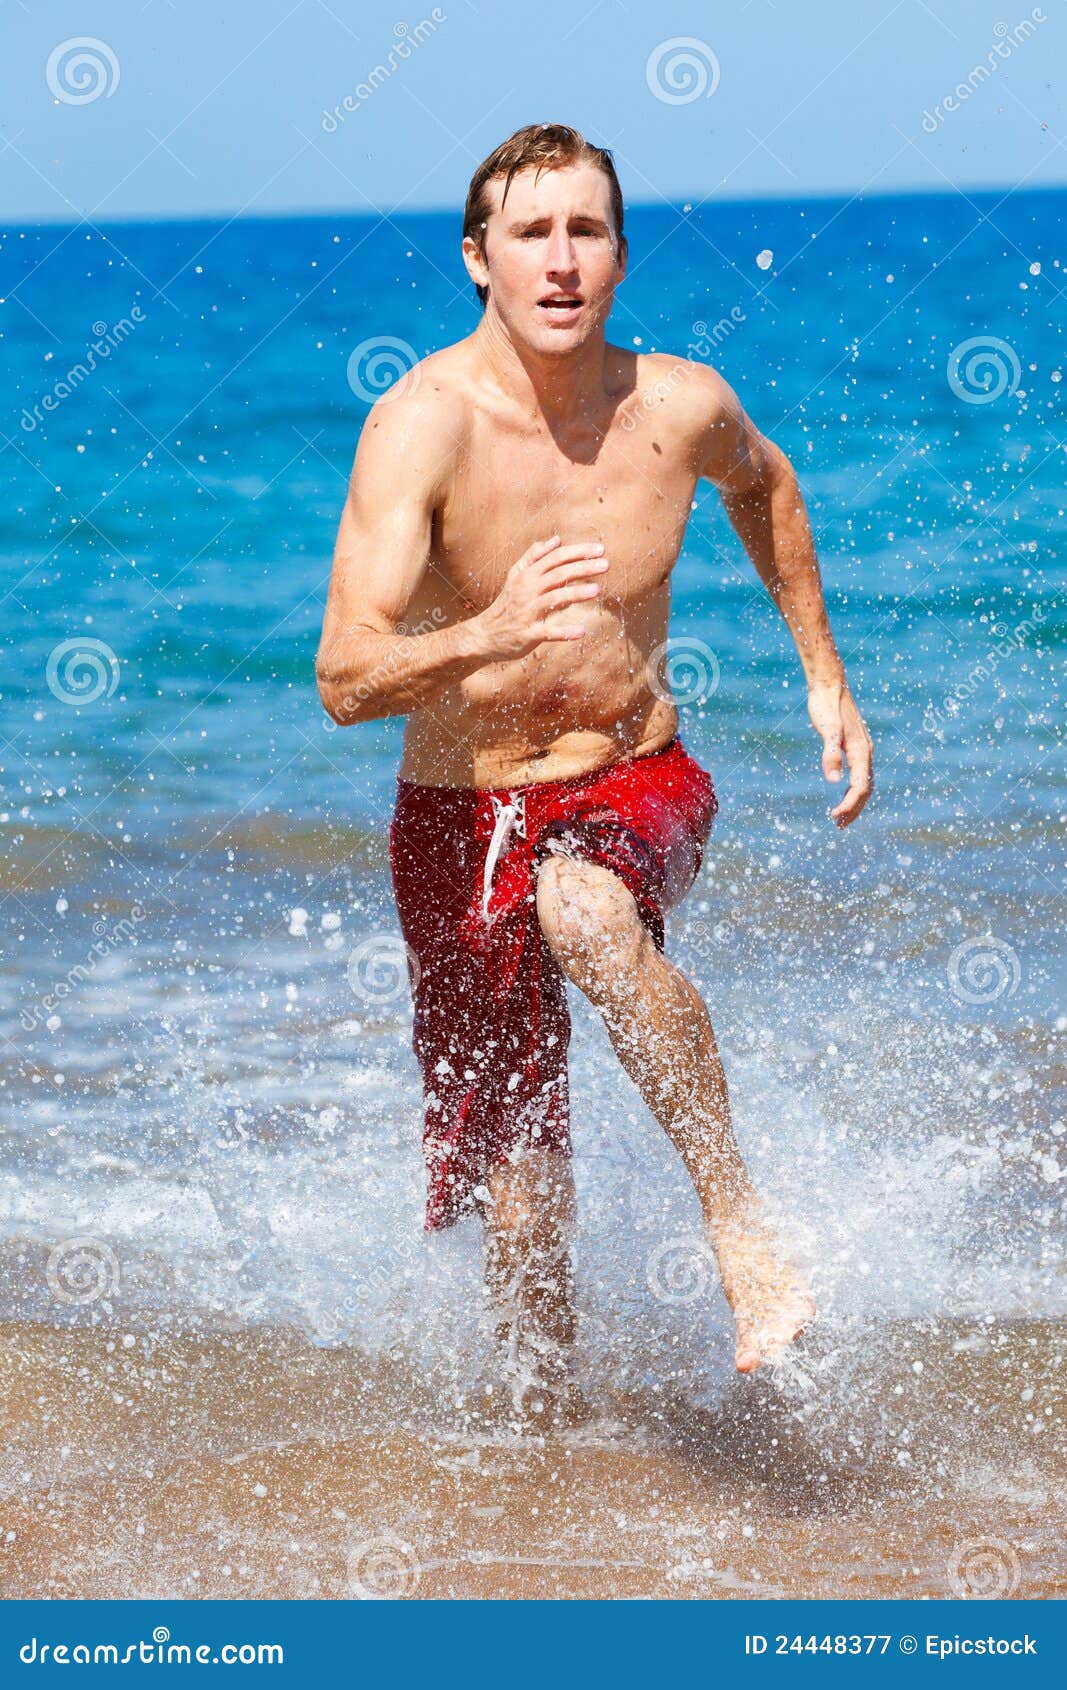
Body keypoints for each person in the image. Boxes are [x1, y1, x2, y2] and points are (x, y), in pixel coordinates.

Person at [315, 123, 873, 1420]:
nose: (560, 260)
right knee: (521, 1202)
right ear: (480, 258)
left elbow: (767, 486)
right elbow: (343, 675)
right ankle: (547, 1455)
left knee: (583, 907)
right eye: (531, 233)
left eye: (587, 230)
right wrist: (491, 631)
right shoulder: (420, 428)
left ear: (620, 254)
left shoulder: (678, 408)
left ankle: (737, 1224)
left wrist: (825, 673)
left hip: (633, 771)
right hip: (457, 819)